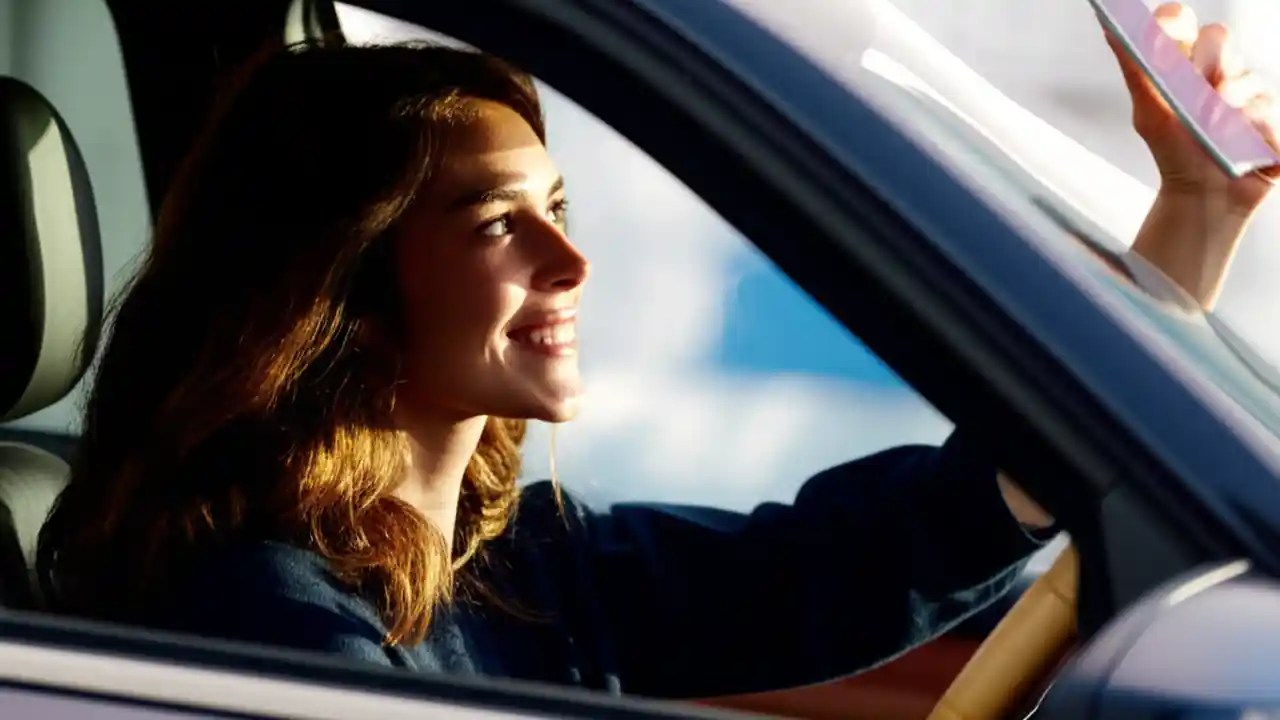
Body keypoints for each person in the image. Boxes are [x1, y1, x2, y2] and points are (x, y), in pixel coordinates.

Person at [34, 2, 1276, 700]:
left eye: (559, 213)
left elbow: (862, 554)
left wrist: (1195, 216)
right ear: (345, 284)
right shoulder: (262, 619)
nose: (569, 265)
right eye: (496, 225)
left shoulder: (514, 571)